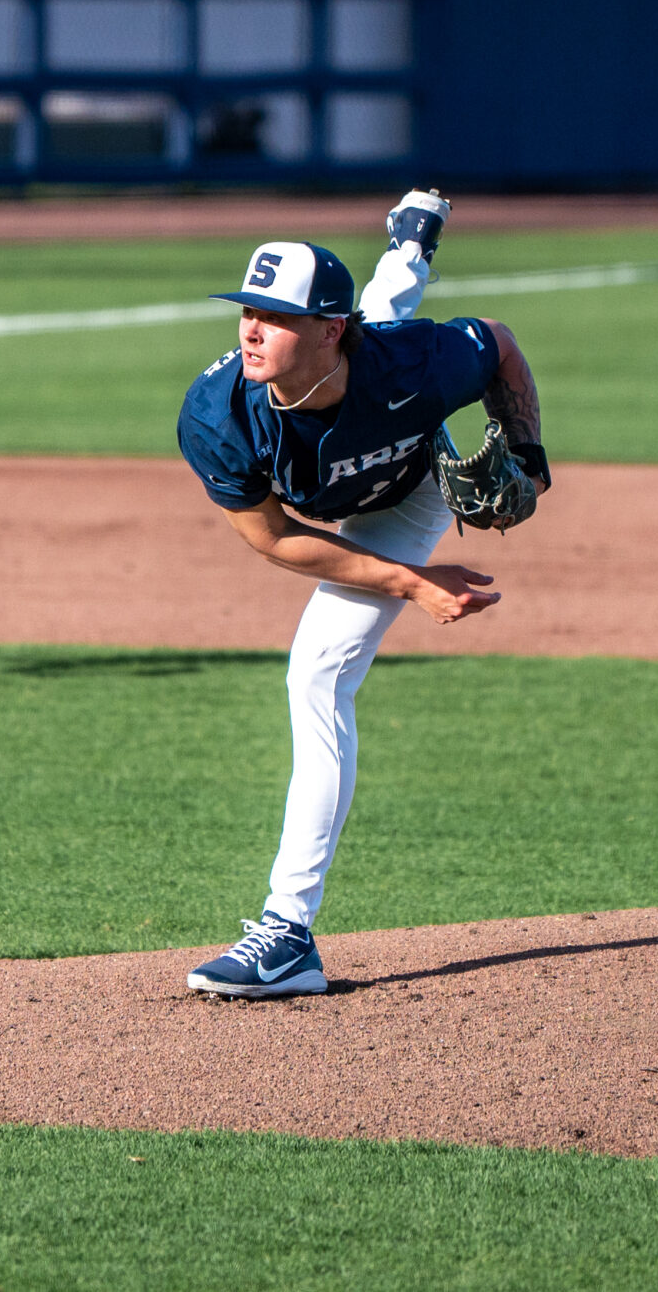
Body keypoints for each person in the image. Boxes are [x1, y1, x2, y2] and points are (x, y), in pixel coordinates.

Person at [173, 191, 547, 997]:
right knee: (379, 324)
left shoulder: (413, 361)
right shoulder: (217, 415)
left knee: (316, 673)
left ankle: (287, 932)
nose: (250, 328)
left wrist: (531, 458)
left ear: (322, 327)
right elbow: (274, 537)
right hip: (345, 460)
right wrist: (413, 584)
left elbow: (502, 348)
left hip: (408, 490)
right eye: (246, 310)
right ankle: (409, 242)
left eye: (274, 315)